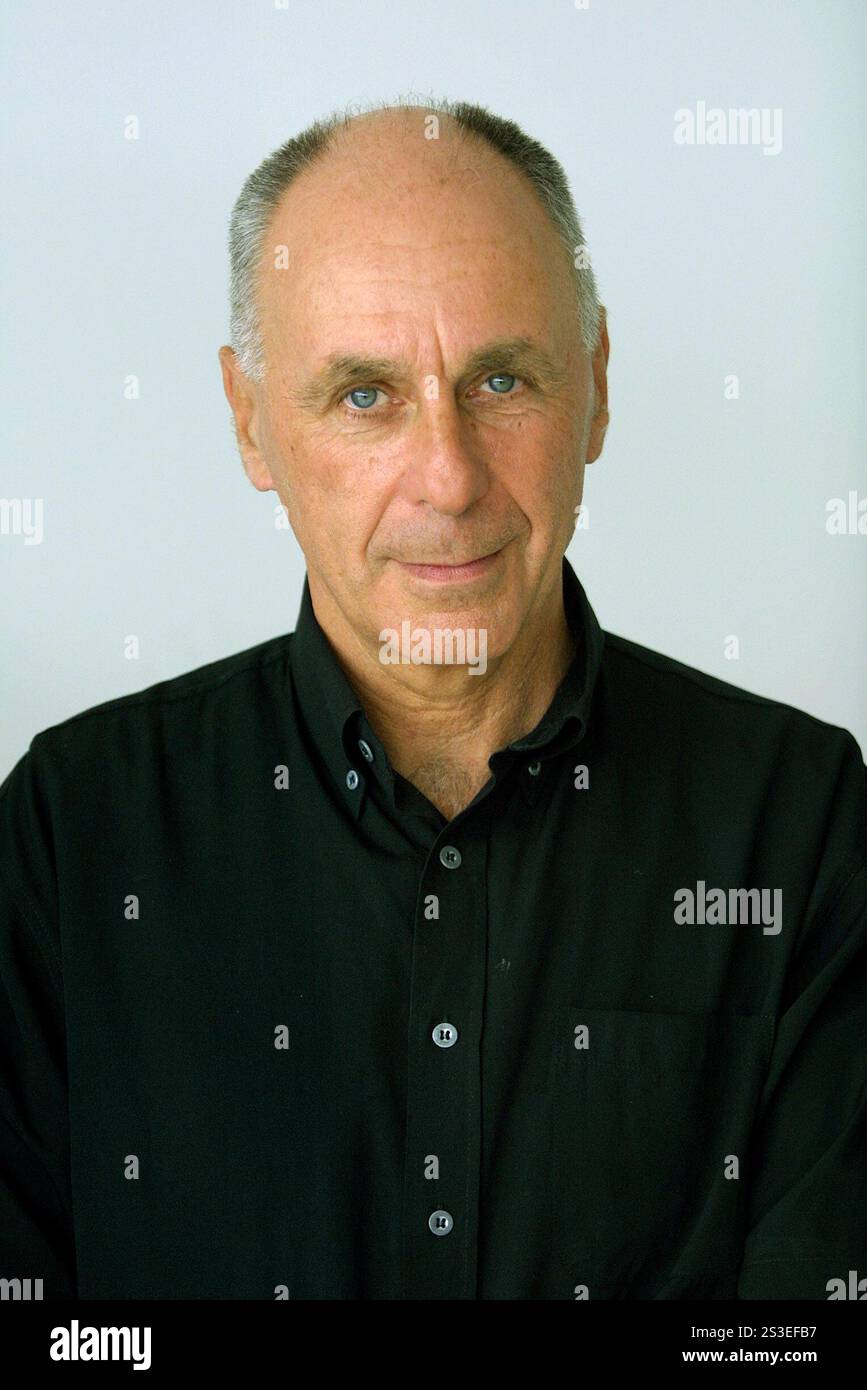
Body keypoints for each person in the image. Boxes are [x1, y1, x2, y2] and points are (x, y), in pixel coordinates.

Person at [1, 99, 864, 1301]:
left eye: (502, 379)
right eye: (365, 395)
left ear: (598, 389)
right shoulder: (67, 833)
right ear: (251, 419)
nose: (449, 477)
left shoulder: (805, 823)